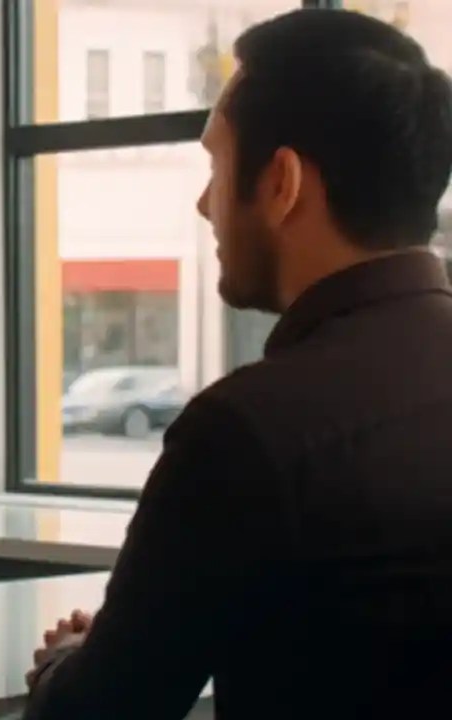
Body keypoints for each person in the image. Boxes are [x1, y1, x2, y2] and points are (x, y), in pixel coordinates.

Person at [24, 9, 452, 719]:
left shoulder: (246, 432)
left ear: (282, 182)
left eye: (216, 163)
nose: (203, 202)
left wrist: (72, 662)